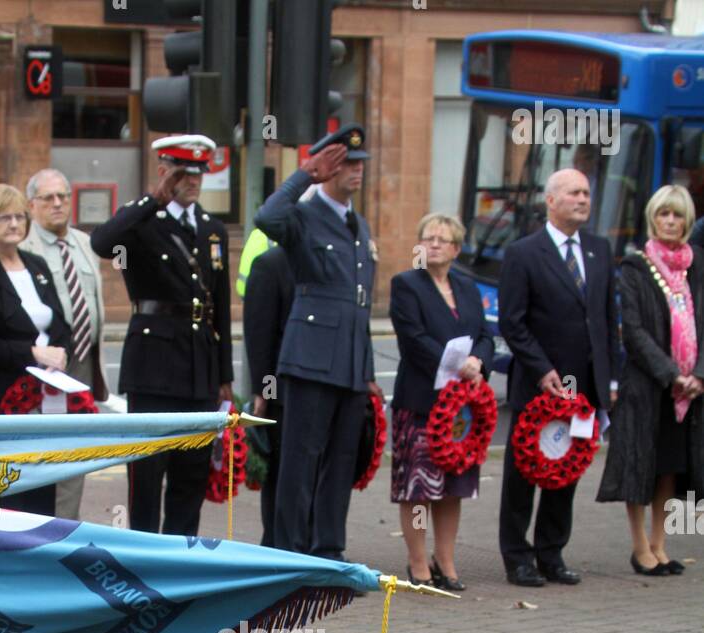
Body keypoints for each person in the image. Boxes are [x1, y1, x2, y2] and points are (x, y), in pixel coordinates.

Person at [91, 134, 233, 536]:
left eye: (199, 174)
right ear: (164, 172)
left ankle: (181, 559)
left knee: (191, 474)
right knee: (148, 477)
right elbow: (101, 241)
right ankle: (144, 558)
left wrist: (224, 377)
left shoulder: (212, 229)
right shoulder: (141, 222)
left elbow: (219, 306)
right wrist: (153, 198)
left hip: (199, 366)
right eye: (184, 174)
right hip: (153, 366)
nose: (193, 182)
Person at [255, 124, 384, 559]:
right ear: (326, 168)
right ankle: (291, 553)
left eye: (359, 163)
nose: (356, 171)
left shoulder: (359, 225)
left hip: (349, 364)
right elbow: (265, 217)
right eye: (346, 163)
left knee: (340, 461)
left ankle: (329, 550)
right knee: (299, 461)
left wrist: (366, 372)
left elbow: (360, 305)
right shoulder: (304, 215)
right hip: (310, 359)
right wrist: (303, 176)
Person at [498, 167, 620, 586]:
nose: (583, 199)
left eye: (587, 192)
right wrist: (543, 368)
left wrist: (610, 381)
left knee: (566, 469)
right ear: (551, 201)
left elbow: (605, 320)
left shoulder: (600, 250)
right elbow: (513, 323)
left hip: (583, 387)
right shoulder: (523, 253)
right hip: (539, 386)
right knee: (523, 471)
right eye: (574, 193)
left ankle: (552, 552)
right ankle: (518, 556)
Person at [597, 185, 704, 574]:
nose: (670, 222)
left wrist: (699, 376)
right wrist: (672, 374)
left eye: (677, 215)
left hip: (690, 391)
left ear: (688, 221)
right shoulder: (635, 268)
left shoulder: (698, 265)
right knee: (642, 463)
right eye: (664, 214)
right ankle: (640, 546)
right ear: (652, 219)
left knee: (670, 468)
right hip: (648, 386)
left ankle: (660, 544)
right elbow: (635, 332)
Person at [389, 212, 494, 590]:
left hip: (461, 409)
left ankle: (445, 561)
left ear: (456, 248)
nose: (433, 244)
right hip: (420, 402)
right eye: (427, 237)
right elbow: (413, 339)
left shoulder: (467, 287)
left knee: (454, 486)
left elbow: (484, 334)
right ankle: (418, 563)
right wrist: (457, 364)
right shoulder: (406, 284)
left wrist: (478, 361)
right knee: (419, 489)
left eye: (442, 239)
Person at [0, 184, 71, 515]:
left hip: (47, 395)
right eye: (5, 217)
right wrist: (33, 354)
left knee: (42, 490)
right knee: (4, 494)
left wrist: (61, 354)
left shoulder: (36, 265)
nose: (15, 224)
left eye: (20, 216)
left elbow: (61, 324)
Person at [21, 167, 108, 518]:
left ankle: (66, 531)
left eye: (63, 196)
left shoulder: (86, 244)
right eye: (48, 198)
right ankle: (37, 532)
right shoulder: (22, 248)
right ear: (32, 205)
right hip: (45, 370)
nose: (58, 204)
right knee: (42, 458)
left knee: (76, 456)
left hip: (83, 365)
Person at [243, 244, 294, 546]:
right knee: (279, 473)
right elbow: (258, 333)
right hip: (281, 391)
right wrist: (264, 389)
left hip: (320, 387)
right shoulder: (270, 262)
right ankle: (275, 545)